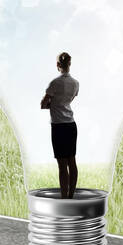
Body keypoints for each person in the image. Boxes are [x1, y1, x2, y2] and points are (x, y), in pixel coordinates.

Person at [40, 51, 79, 198]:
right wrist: (60, 104)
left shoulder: (54, 83)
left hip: (58, 126)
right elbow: (68, 101)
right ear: (69, 64)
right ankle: (71, 196)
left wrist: (53, 105)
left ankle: (63, 199)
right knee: (72, 162)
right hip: (71, 125)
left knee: (62, 166)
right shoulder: (76, 83)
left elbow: (43, 104)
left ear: (58, 65)